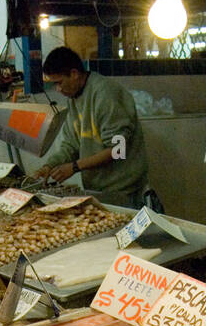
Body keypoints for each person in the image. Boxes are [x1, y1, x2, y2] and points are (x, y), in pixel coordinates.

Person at [34, 46, 151, 208]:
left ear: (74, 74)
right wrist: (49, 166)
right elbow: (70, 145)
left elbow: (118, 150)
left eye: (59, 83)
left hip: (123, 189)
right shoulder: (73, 98)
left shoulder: (106, 94)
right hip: (97, 188)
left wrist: (74, 167)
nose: (58, 89)